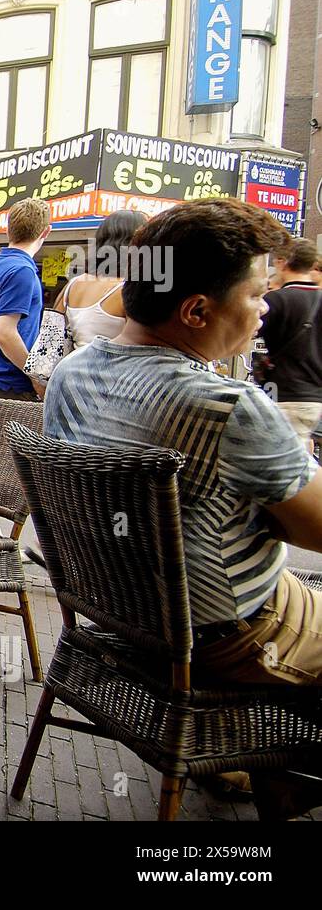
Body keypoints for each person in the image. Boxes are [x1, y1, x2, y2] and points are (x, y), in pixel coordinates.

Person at [46, 198, 322, 691]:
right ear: (196, 310)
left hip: (116, 615)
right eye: (257, 294)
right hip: (229, 634)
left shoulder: (72, 374)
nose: (264, 309)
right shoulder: (225, 406)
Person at [0, 198, 51, 405]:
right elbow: (4, 333)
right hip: (7, 388)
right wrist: (36, 378)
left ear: (8, 231)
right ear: (46, 232)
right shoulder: (22, 271)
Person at [257, 237, 322, 450]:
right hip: (314, 396)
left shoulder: (276, 300)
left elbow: (245, 334)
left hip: (282, 392)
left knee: (279, 459)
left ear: (282, 262)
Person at [51, 210, 147, 352]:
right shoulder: (129, 289)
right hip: (114, 372)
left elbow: (51, 336)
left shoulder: (73, 285)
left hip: (69, 370)